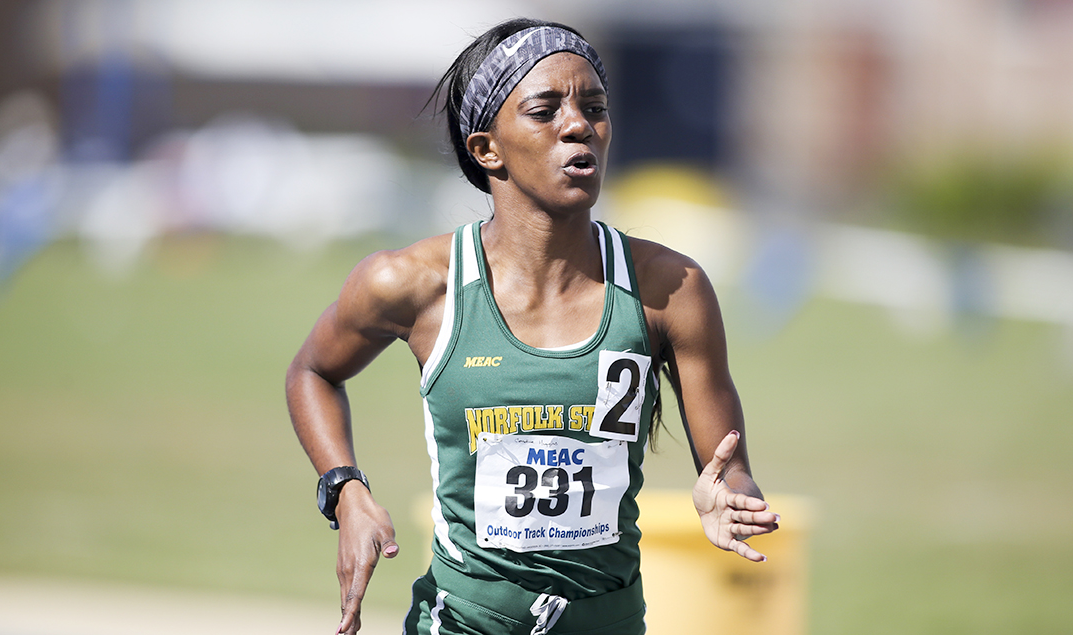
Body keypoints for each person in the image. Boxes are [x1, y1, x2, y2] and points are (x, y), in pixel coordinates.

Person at [285, 17, 779, 635]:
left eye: (594, 108)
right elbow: (312, 372)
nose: (579, 126)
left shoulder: (669, 289)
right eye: (545, 111)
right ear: (486, 149)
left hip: (609, 621)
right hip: (465, 620)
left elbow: (728, 466)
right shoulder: (413, 283)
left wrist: (730, 494)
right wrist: (345, 491)